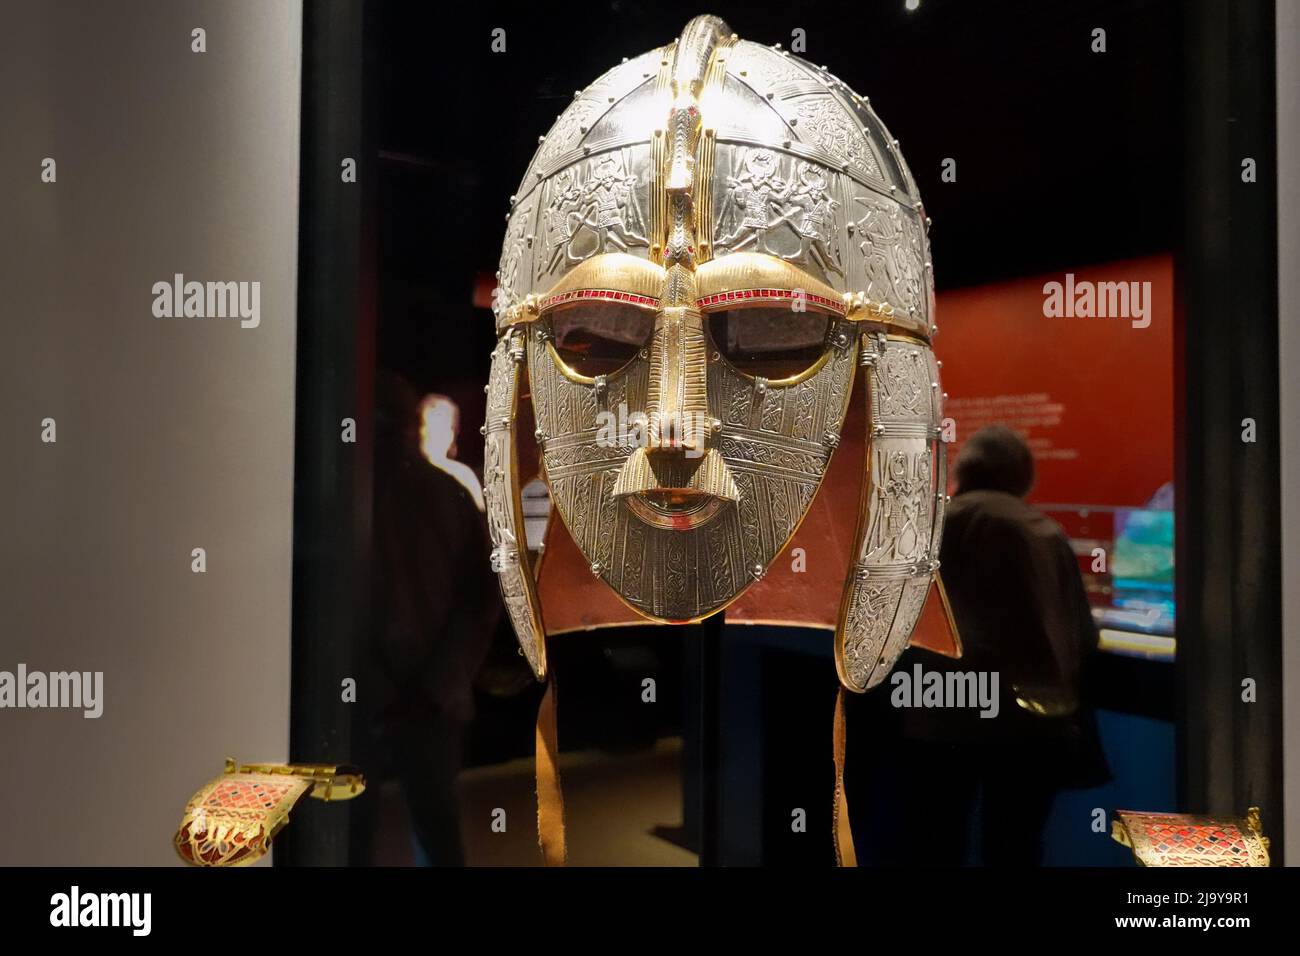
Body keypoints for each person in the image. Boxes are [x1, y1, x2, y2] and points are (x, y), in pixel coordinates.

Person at [895, 424, 1108, 866]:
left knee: (933, 841)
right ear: (1021, 477)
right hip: (1027, 725)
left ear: (963, 471)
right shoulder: (1045, 534)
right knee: (1015, 846)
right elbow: (1082, 637)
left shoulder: (928, 527)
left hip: (939, 713)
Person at [355, 372, 500, 865]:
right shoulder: (450, 493)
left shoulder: (350, 493)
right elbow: (480, 600)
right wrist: (438, 684)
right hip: (430, 700)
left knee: (354, 827)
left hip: (374, 695)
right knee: (435, 829)